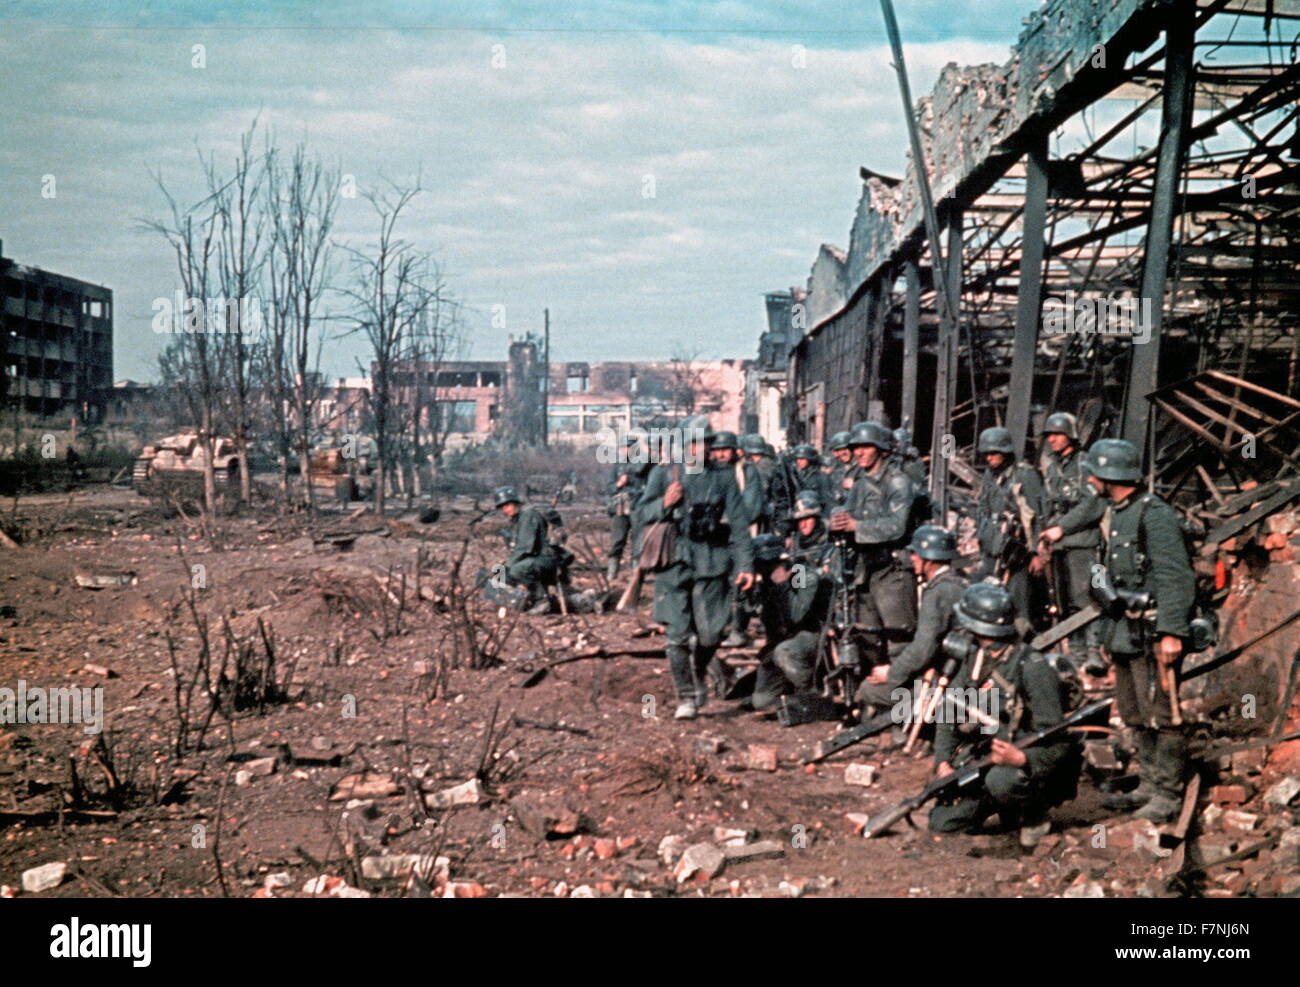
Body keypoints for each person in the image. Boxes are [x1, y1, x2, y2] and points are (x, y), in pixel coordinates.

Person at [1041, 438, 1195, 822]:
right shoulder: (1117, 509)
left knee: (1165, 712)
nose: (1089, 478)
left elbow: (1176, 577)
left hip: (1156, 631)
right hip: (1126, 632)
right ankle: (1148, 784)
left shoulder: (1153, 514)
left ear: (1108, 475)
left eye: (1094, 472)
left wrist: (1172, 631)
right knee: (1133, 711)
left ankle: (1168, 793)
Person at [929, 583, 1080, 845]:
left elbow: (1059, 742)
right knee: (942, 822)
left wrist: (1023, 758)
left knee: (1003, 781)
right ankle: (1002, 807)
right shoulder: (975, 657)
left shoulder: (1032, 667)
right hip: (984, 758)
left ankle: (1035, 814)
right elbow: (949, 709)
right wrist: (943, 761)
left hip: (1024, 767)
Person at [635, 420, 755, 720]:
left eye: (703, 443)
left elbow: (739, 523)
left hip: (711, 560)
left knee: (711, 634)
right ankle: (686, 697)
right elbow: (640, 514)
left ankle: (699, 671)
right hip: (673, 562)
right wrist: (664, 502)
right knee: (676, 635)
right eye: (692, 443)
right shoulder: (663, 474)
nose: (697, 449)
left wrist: (745, 565)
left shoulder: (724, 477)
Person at [829, 420, 919, 669]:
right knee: (866, 637)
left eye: (866, 447)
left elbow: (897, 525)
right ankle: (873, 696)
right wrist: (835, 524)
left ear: (881, 449)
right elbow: (848, 518)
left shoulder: (898, 481)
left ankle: (903, 699)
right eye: (856, 447)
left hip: (893, 571)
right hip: (864, 570)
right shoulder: (860, 483)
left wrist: (857, 527)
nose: (858, 452)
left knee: (898, 637)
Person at [856, 525, 967, 716]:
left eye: (917, 553)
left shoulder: (938, 592)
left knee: (869, 689)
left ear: (930, 559)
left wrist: (891, 673)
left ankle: (923, 726)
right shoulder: (957, 583)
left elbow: (923, 648)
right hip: (958, 672)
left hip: (951, 681)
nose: (912, 558)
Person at [1034, 412, 1105, 673]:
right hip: (1059, 544)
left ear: (1070, 436)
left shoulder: (1085, 465)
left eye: (1057, 434)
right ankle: (1076, 654)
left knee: (1086, 595)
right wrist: (1043, 539)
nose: (1051, 439)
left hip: (1081, 542)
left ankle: (1094, 651)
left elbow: (1092, 505)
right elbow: (1046, 507)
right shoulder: (1052, 469)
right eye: (1049, 435)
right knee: (1064, 602)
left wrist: (1061, 529)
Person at [748, 534, 834, 711]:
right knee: (762, 702)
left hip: (812, 636)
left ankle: (812, 694)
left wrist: (782, 585)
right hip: (785, 642)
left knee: (784, 652)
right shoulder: (765, 581)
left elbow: (796, 615)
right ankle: (792, 694)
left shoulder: (800, 573)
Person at [973, 426, 1044, 634]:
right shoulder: (989, 475)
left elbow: (1038, 516)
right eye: (986, 453)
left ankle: (1022, 641)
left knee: (1017, 603)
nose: (989, 457)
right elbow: (983, 509)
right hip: (992, 547)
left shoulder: (1025, 475)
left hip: (1017, 551)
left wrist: (1036, 553)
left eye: (994, 453)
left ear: (1006, 451)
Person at [495, 485, 567, 614]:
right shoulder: (518, 520)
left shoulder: (528, 516)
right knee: (498, 571)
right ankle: (508, 602)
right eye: (502, 507)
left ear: (515, 503)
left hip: (547, 560)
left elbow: (525, 548)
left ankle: (542, 600)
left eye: (507, 505)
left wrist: (509, 566)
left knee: (517, 569)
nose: (504, 510)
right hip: (535, 560)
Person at [605, 433, 651, 580]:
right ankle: (612, 574)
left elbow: (650, 486)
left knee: (638, 541)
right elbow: (609, 488)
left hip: (638, 505)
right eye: (623, 448)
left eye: (629, 448)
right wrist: (619, 483)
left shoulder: (644, 465)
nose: (625, 450)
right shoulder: (617, 466)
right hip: (620, 507)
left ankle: (635, 574)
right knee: (617, 540)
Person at [741, 434, 791, 535]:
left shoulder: (764, 467)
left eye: (756, 456)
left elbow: (779, 499)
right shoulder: (768, 465)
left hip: (766, 518)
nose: (754, 459)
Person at [789, 489, 833, 570]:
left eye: (807, 519)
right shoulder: (794, 541)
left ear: (817, 518)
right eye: (800, 520)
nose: (803, 525)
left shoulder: (832, 538)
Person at [791, 444, 832, 513]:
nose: (798, 461)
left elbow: (825, 499)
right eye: (797, 459)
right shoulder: (798, 474)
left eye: (802, 459)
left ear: (810, 459)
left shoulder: (820, 475)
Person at [826, 431, 855, 506]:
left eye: (846, 449)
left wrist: (855, 485)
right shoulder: (838, 468)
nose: (843, 452)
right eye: (839, 450)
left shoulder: (862, 466)